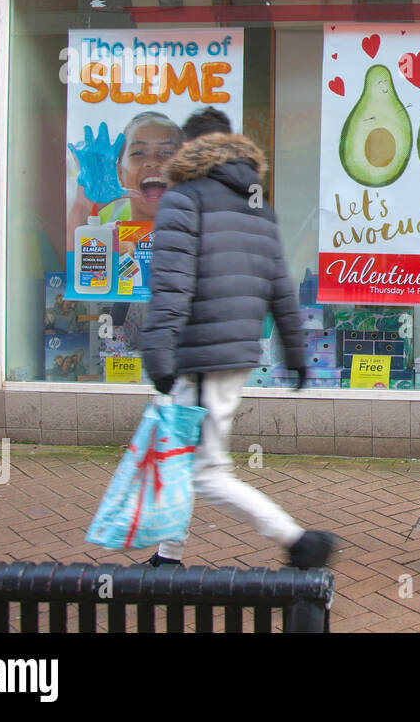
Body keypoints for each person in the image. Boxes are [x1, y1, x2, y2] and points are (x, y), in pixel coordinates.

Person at [140, 108, 337, 570]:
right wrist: (296, 351)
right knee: (180, 456)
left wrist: (157, 351)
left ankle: (299, 541)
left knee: (206, 470)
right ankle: (168, 555)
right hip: (233, 352)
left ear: (189, 149)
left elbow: (171, 284)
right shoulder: (256, 202)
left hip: (200, 355)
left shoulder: (182, 198)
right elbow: (279, 283)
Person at [67, 111, 183, 253]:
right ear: (120, 173)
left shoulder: (202, 237)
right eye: (138, 153)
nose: (153, 162)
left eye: (167, 152)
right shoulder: (105, 239)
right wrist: (85, 205)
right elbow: (69, 266)